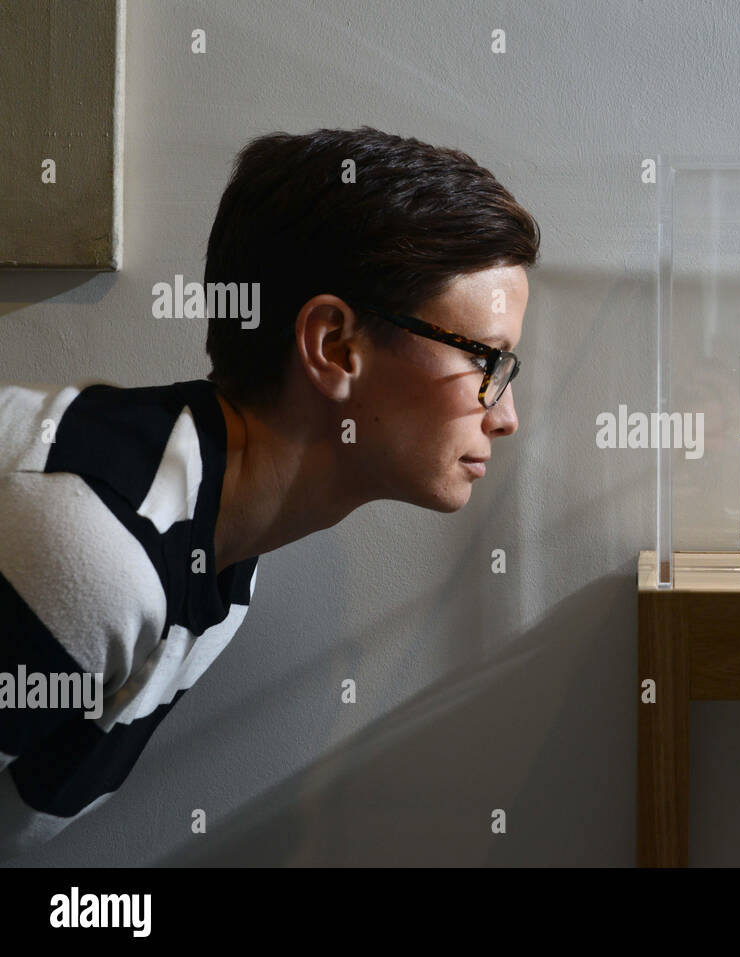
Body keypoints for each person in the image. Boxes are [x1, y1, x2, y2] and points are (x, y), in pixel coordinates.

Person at [0, 126, 540, 858]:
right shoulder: (98, 544)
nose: (505, 416)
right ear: (334, 345)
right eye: (487, 360)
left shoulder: (221, 554)